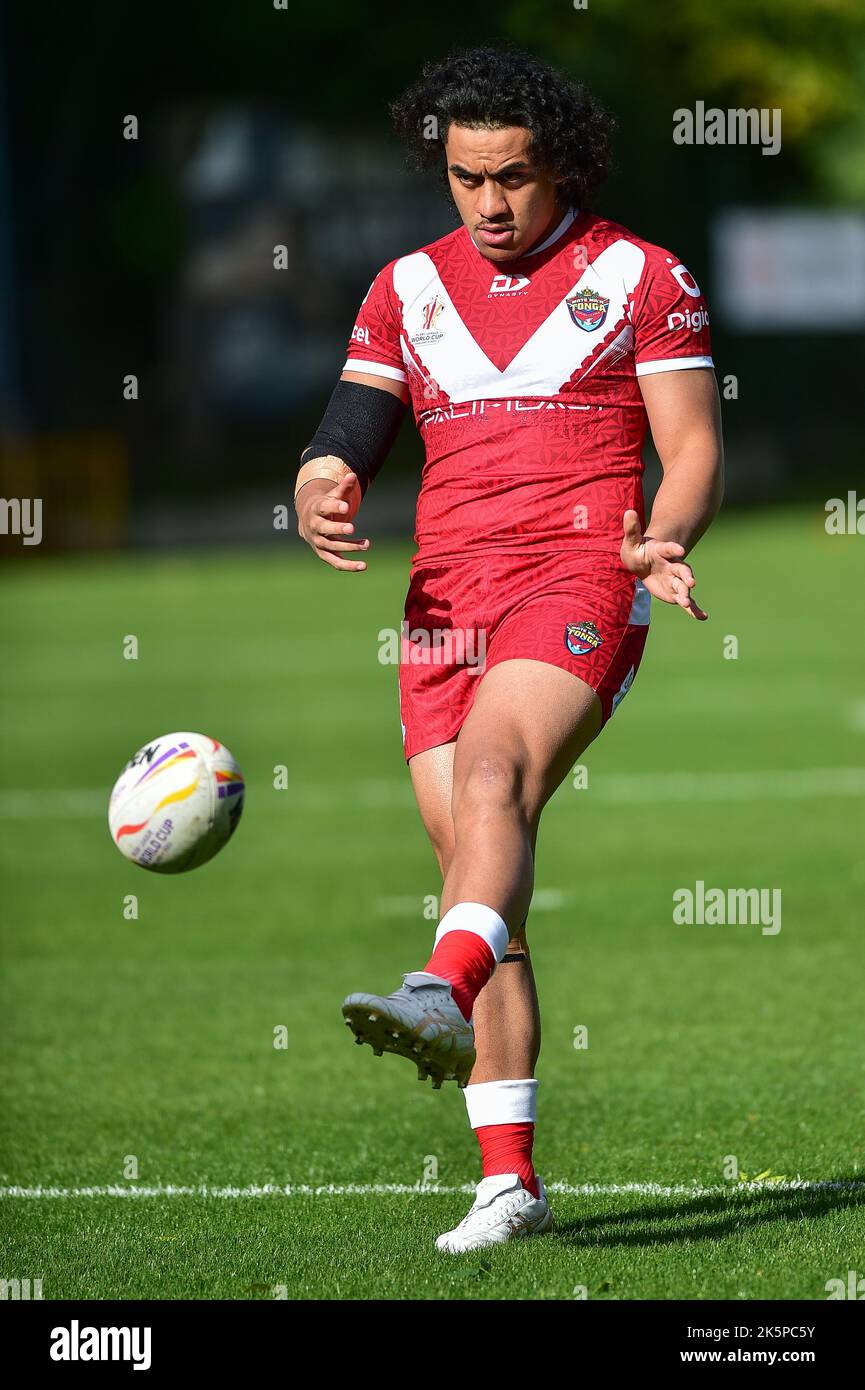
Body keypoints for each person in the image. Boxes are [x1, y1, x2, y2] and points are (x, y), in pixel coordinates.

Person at [294, 46, 724, 1253]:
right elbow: (351, 428)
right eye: (464, 177)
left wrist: (667, 536)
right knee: (483, 882)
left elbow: (687, 446)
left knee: (495, 783)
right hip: (441, 602)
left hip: (583, 574)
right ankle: (509, 1181)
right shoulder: (402, 287)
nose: (488, 203)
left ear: (562, 167)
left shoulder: (642, 274)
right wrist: (319, 481)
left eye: (514, 179)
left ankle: (435, 989)